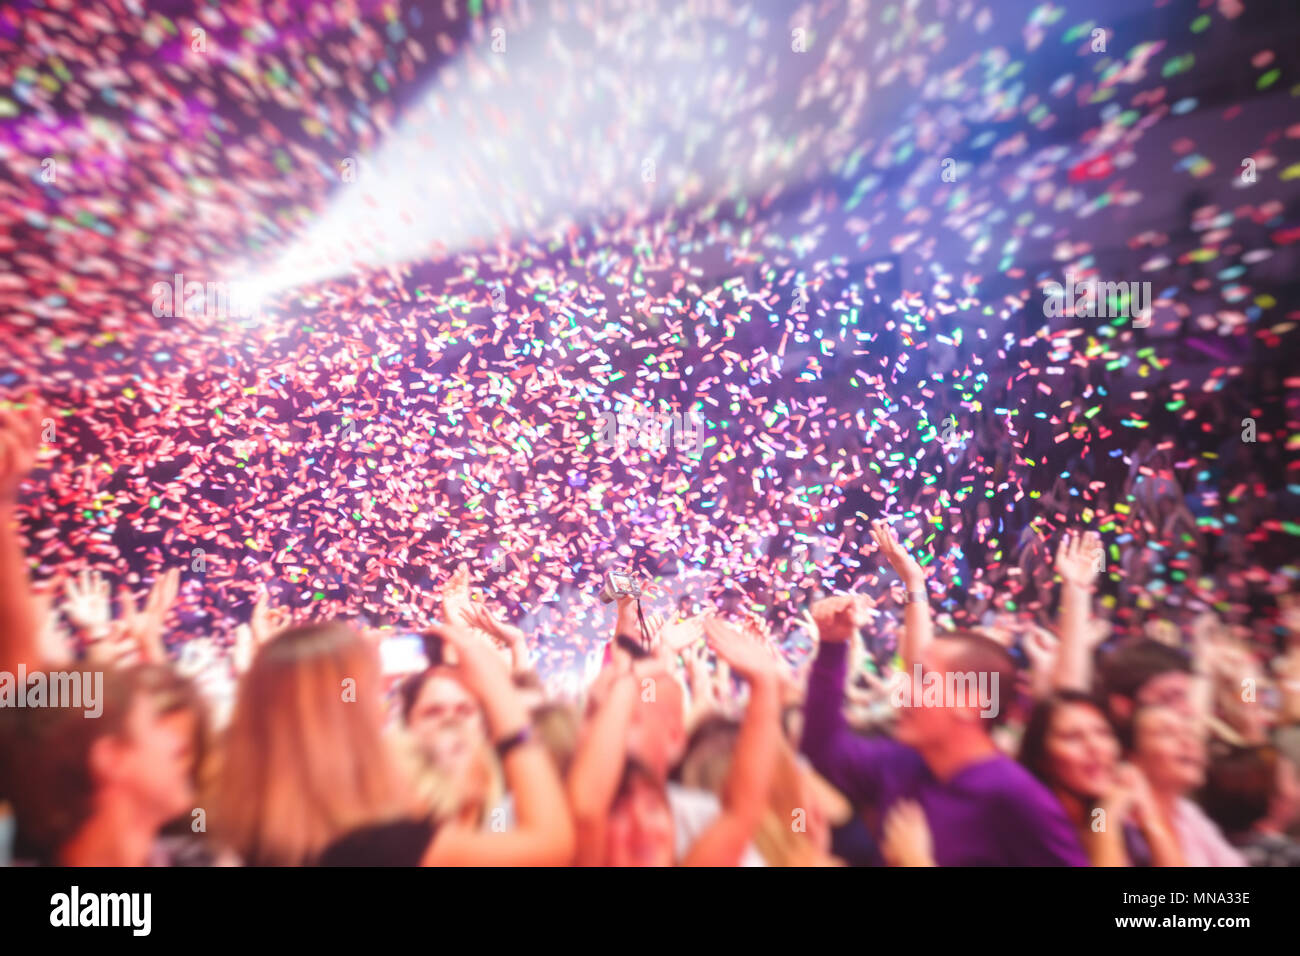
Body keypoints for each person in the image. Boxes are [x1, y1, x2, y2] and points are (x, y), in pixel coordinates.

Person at [800, 592, 1089, 865]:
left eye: (924, 679)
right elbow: (823, 751)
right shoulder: (904, 764)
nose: (905, 693)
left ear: (969, 702)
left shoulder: (1019, 800)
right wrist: (832, 645)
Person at [567, 616, 781, 865]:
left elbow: (742, 813)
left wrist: (765, 680)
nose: (641, 826)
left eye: (652, 806)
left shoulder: (697, 816)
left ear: (675, 738)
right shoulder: (545, 815)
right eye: (593, 713)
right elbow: (586, 812)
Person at [1019, 692, 1182, 865]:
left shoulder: (1107, 819)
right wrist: (1107, 813)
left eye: (1103, 733)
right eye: (1072, 737)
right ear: (1041, 759)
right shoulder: (1038, 827)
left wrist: (1149, 816)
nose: (1095, 746)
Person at [1128, 705, 1246, 866]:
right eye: (1167, 733)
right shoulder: (1112, 818)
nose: (1188, 742)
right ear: (1134, 758)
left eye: (1190, 733)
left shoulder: (1188, 813)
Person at [1201, 744, 1300, 866]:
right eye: (1294, 780)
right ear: (1274, 798)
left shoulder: (1204, 850)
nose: (1298, 790)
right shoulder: (1287, 856)